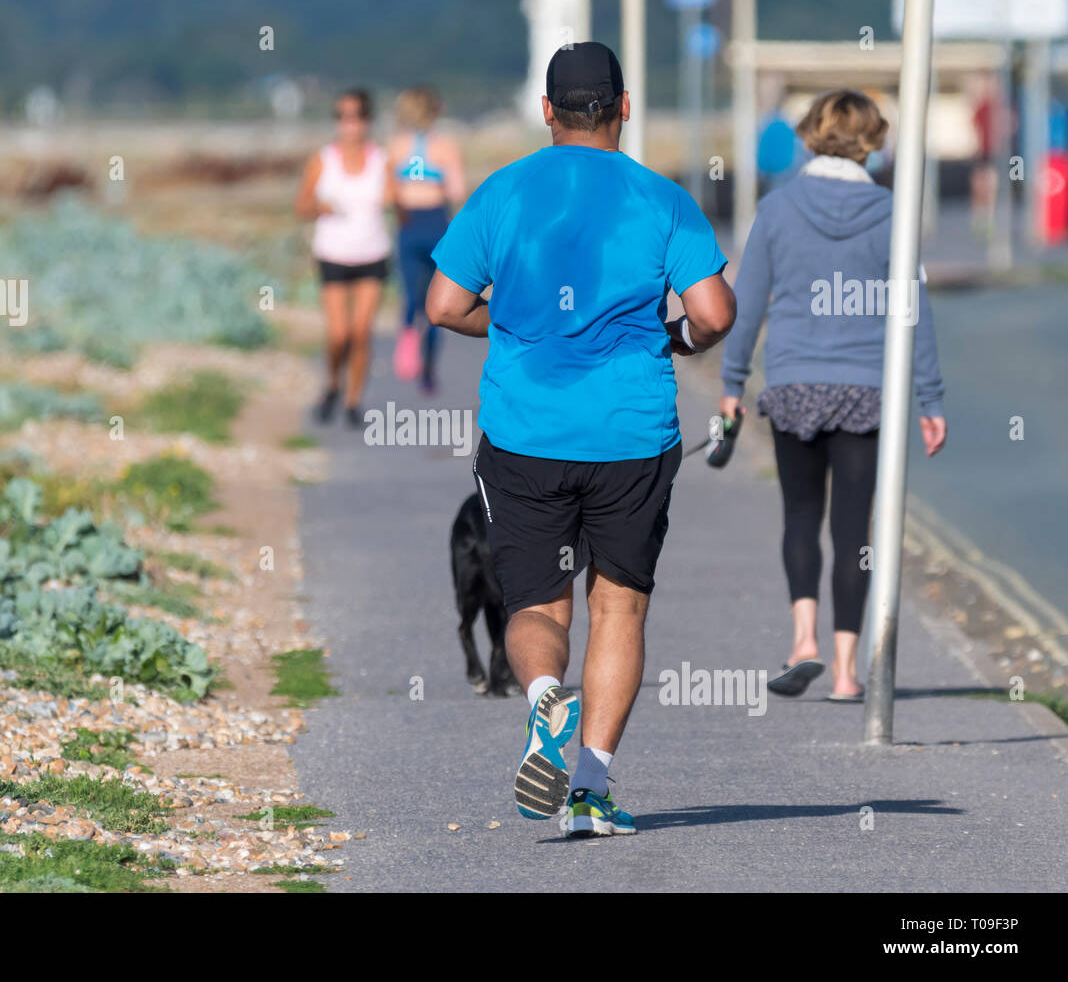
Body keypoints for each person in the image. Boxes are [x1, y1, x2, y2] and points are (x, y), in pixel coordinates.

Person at [426, 42, 736, 836]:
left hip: (525, 432)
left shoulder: (502, 192)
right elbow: (716, 314)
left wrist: (519, 323)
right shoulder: (661, 198)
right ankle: (590, 792)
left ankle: (539, 703)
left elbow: (440, 304)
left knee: (536, 602)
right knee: (620, 608)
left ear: (547, 112)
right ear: (624, 109)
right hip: (630, 436)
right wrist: (676, 340)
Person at [718, 89, 947, 703]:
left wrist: (733, 384)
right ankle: (847, 672)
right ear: (872, 141)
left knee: (799, 515)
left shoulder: (777, 208)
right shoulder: (892, 213)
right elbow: (912, 311)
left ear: (810, 135)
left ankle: (802, 642)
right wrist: (930, 398)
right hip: (867, 389)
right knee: (855, 532)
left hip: (794, 384)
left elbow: (748, 303)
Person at [295, 88, 394, 427]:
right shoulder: (323, 159)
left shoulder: (382, 159)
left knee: (361, 332)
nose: (348, 124)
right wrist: (319, 207)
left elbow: (397, 198)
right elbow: (301, 206)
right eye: (342, 116)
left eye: (355, 116)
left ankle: (353, 402)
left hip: (373, 253)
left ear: (367, 120)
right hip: (333, 254)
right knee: (339, 334)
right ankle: (332, 384)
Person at [386, 86, 467, 394]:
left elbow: (388, 190)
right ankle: (429, 368)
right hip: (435, 223)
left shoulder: (396, 145)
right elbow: (456, 190)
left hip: (408, 224)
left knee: (411, 295)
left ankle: (407, 336)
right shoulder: (445, 146)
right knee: (436, 301)